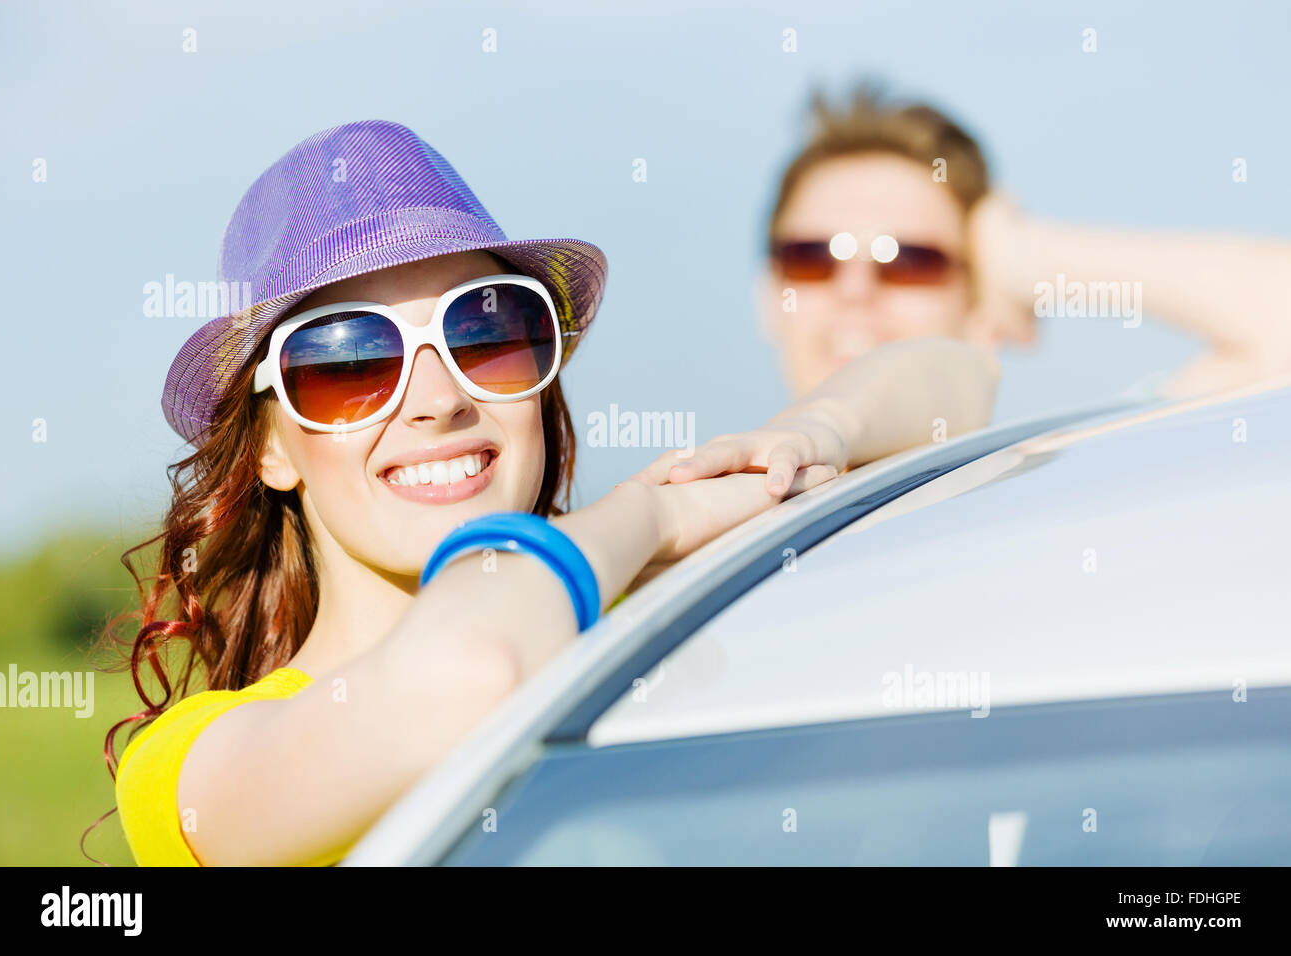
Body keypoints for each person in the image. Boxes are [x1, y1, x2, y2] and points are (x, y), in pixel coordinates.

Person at [95, 120, 996, 867]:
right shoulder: (188, 768)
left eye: (486, 329)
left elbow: (955, 381)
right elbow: (469, 673)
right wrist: (651, 515)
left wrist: (812, 436)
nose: (441, 397)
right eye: (349, 362)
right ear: (269, 451)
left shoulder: (625, 598)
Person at [759, 85, 1291, 405]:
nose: (855, 289)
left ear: (981, 312)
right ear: (768, 296)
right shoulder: (689, 531)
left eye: (909, 261)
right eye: (812, 260)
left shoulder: (1080, 476)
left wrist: (1022, 255)